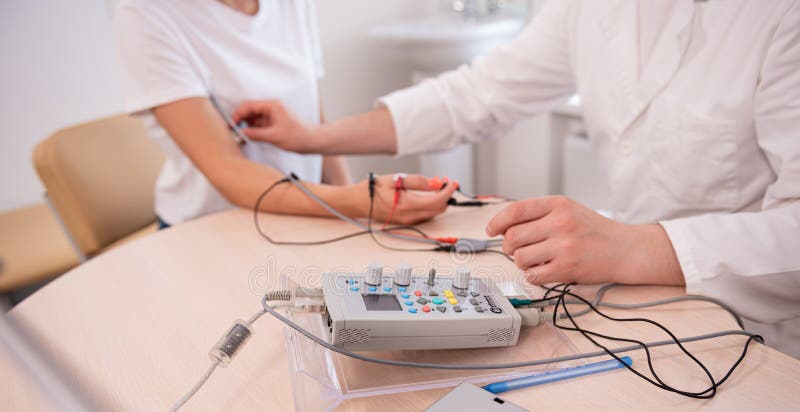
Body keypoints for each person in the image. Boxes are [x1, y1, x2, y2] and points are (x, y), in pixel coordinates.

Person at [230, 0, 800, 357]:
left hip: (765, 335)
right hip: (644, 314)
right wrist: (311, 136)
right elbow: (477, 93)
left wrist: (638, 246)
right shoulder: (590, 9)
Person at [113, 0, 456, 229]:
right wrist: (357, 201)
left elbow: (316, 117)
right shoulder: (146, 13)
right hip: (209, 227)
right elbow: (227, 170)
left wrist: (356, 208)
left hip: (304, 217)